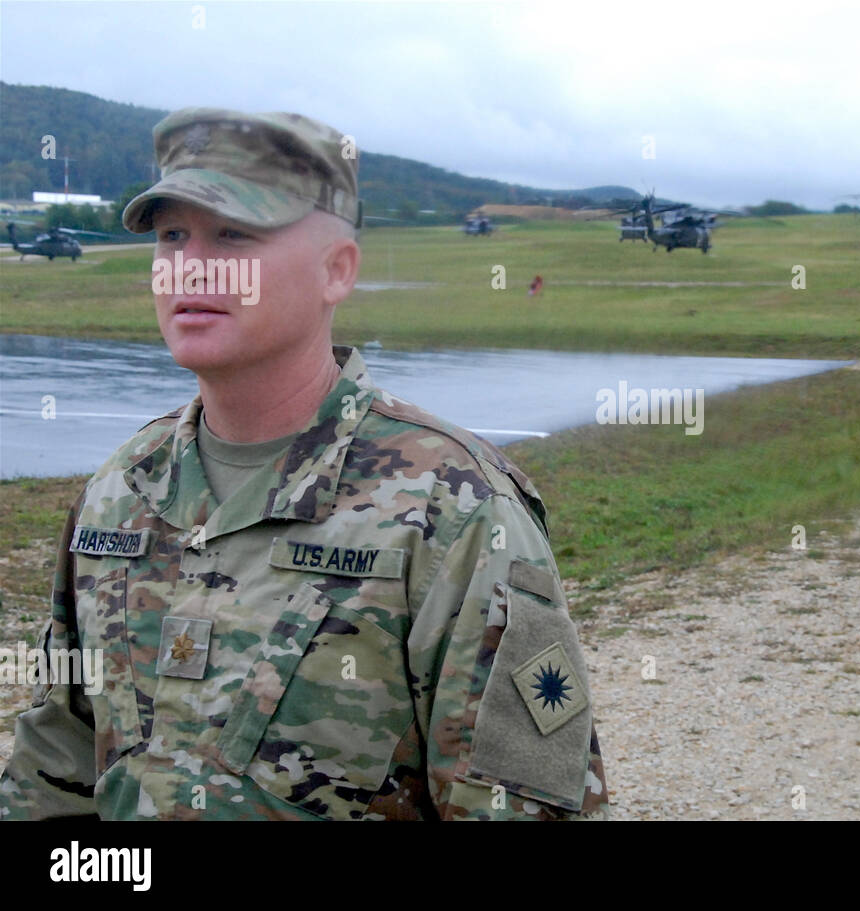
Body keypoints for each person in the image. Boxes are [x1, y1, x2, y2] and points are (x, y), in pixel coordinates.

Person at [0, 108, 608, 820]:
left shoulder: (456, 510)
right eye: (172, 236)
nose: (191, 265)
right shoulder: (118, 492)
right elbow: (53, 775)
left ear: (335, 271)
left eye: (233, 234)